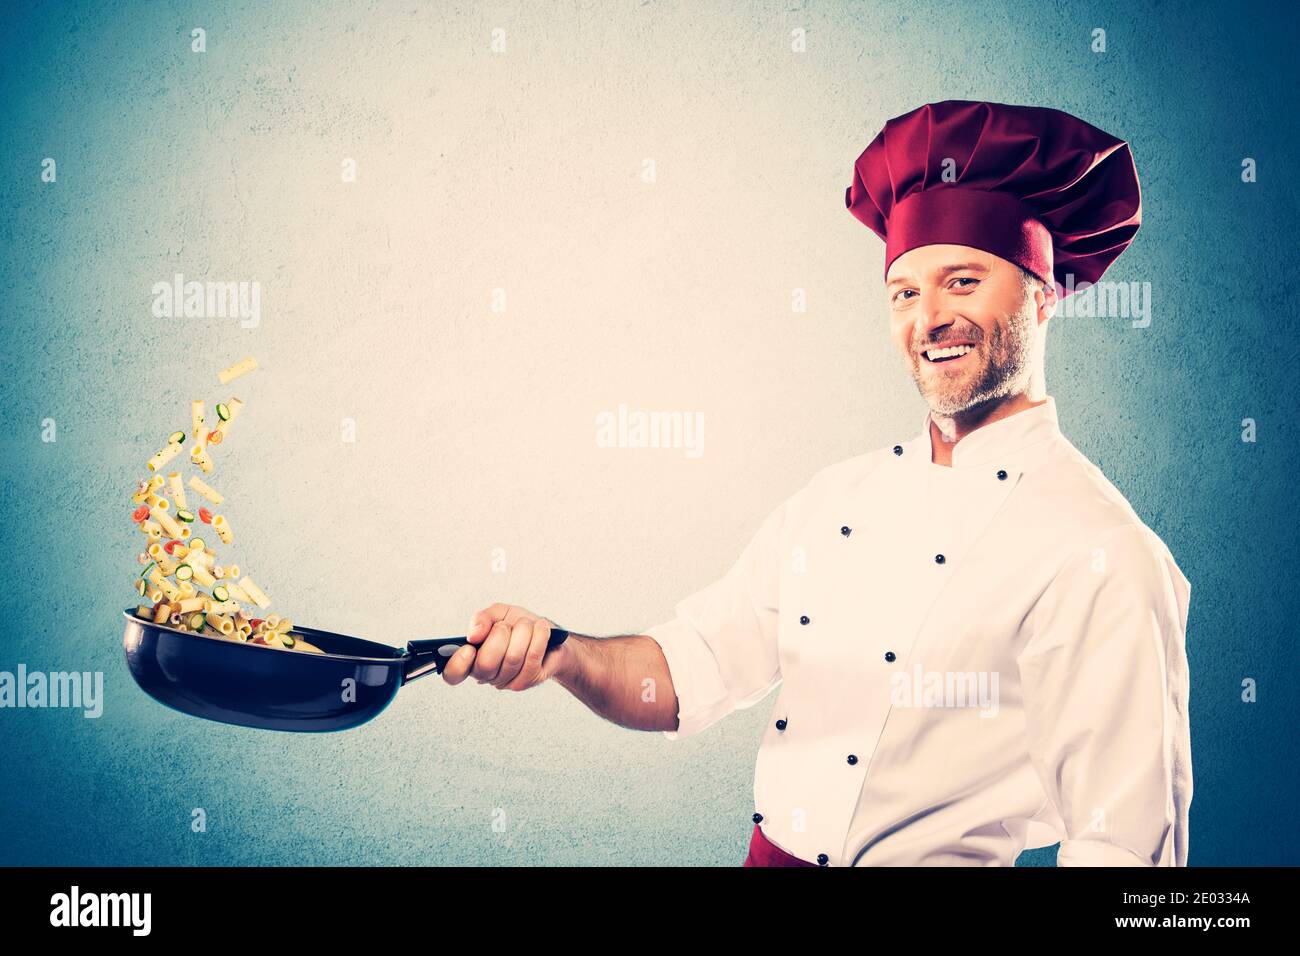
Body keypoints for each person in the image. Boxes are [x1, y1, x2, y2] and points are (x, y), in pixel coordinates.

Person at [442, 100, 1192, 867]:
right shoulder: (836, 499)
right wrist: (562, 653)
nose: (928, 318)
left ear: (1042, 296)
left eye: (962, 281)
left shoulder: (1101, 551)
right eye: (904, 292)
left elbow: (1122, 849)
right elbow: (689, 667)